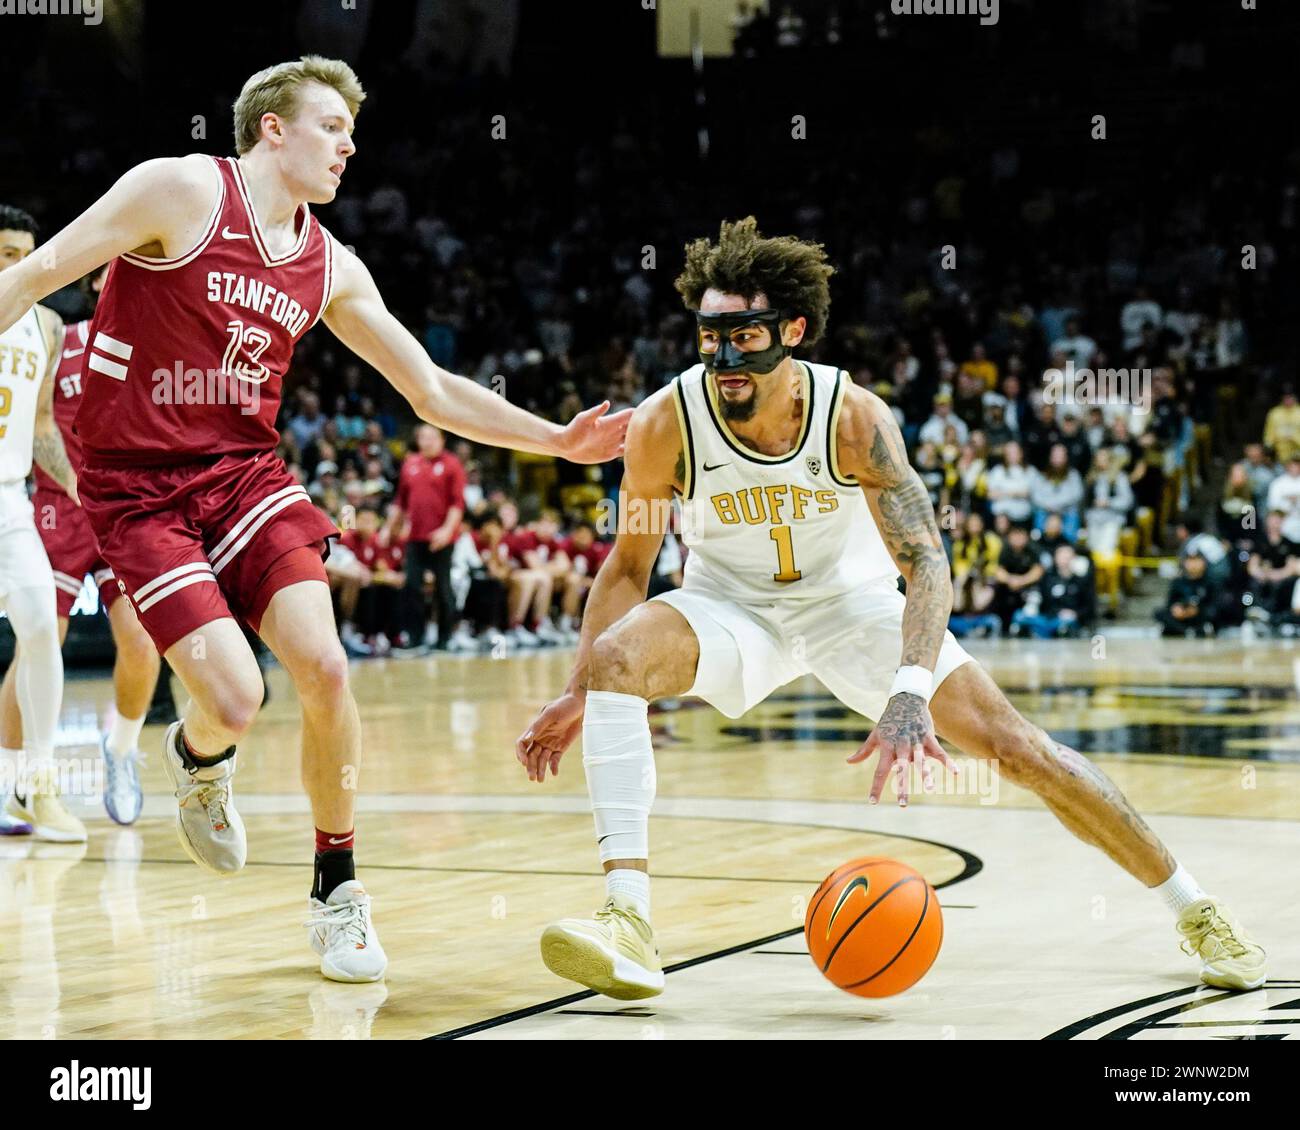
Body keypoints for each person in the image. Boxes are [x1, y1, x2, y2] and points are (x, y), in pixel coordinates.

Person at [515, 218, 1264, 1001]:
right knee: (616, 659)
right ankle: (627, 921)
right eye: (710, 335)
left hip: (850, 609)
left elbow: (925, 563)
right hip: (728, 607)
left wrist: (909, 691)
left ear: (793, 330)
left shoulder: (853, 418)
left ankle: (1197, 908)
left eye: (744, 335)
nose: (724, 357)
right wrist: (582, 688)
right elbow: (629, 566)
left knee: (1019, 748)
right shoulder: (666, 422)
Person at [0, 56, 630, 982]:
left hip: (247, 477)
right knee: (235, 701)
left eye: (351, 132)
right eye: (332, 126)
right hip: (136, 488)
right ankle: (198, 755)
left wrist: (557, 442)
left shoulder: (329, 262)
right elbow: (41, 272)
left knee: (328, 667)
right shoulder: (177, 189)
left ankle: (337, 892)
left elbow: (429, 388)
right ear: (273, 129)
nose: (348, 145)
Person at [0, 265, 159, 830]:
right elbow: (36, 425)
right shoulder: (56, 339)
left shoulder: (158, 349)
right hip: (58, 508)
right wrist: (75, 482)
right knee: (39, 641)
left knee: (143, 643)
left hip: (125, 511)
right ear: (97, 284)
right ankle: (15, 779)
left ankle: (120, 749)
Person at [0, 206, 80, 840]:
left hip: (12, 496)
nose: (15, 265)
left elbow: (46, 421)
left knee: (39, 632)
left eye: (23, 254)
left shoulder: (47, 325)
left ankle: (34, 785)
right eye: (4, 252)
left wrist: (78, 487)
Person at [393, 424, 465, 653]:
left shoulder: (452, 464)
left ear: (442, 439)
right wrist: (389, 529)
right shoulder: (409, 464)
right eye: (422, 437)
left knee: (443, 588)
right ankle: (416, 639)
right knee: (412, 585)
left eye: (432, 437)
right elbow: (401, 503)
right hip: (415, 537)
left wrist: (446, 530)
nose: (427, 441)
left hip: (442, 538)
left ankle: (445, 639)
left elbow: (457, 504)